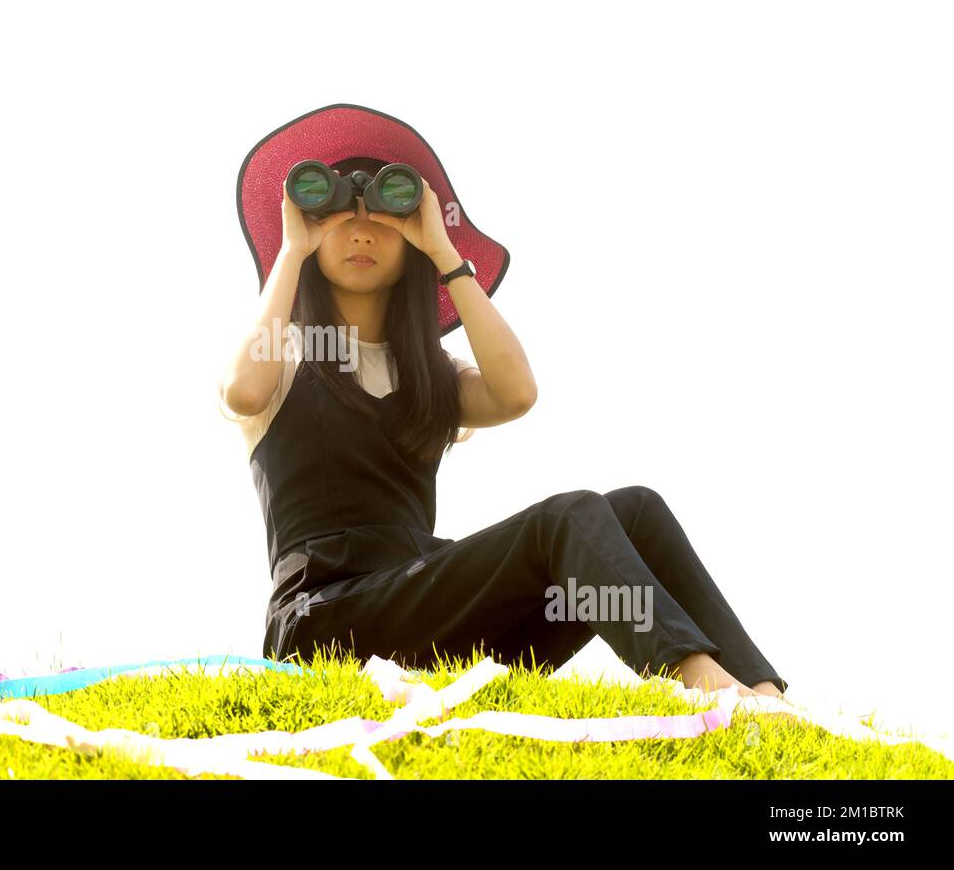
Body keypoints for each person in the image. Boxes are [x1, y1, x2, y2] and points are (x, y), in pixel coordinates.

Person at [218, 104, 789, 699]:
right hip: (326, 623)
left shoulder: (429, 375)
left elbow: (517, 393)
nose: (361, 231)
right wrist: (292, 250)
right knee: (562, 519)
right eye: (337, 213)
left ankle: (766, 696)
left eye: (384, 217)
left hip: (431, 618)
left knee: (636, 510)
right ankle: (707, 685)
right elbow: (243, 391)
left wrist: (444, 253)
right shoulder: (280, 352)